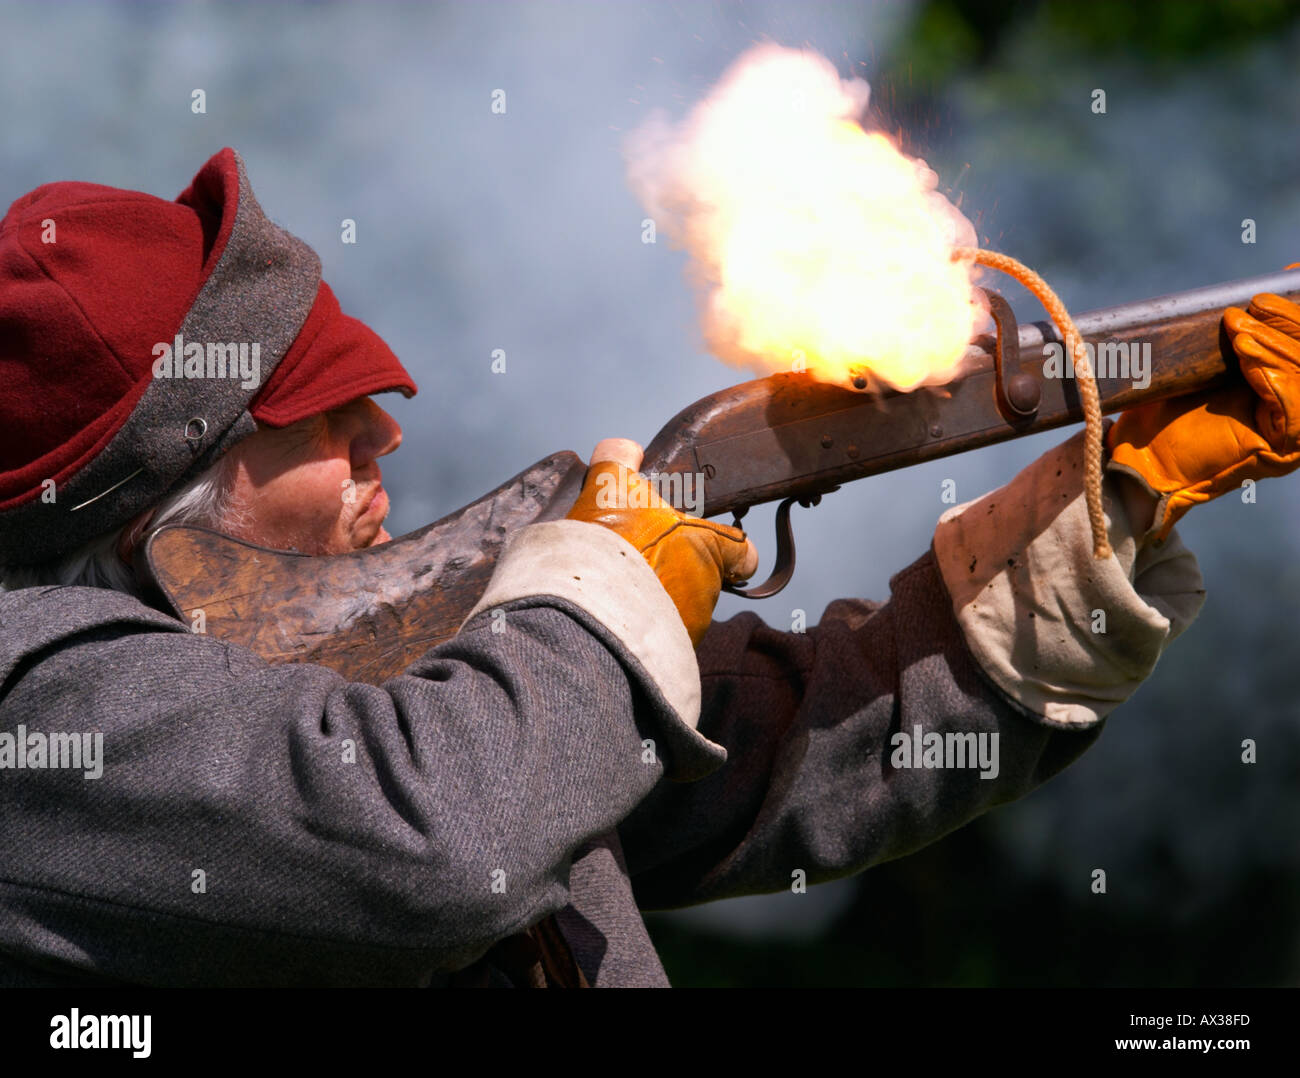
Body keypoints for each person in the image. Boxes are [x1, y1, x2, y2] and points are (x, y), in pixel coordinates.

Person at [0, 148, 1296, 987]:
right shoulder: (38, 710)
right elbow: (442, 841)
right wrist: (607, 577)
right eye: (315, 421)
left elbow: (786, 758)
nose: (380, 428)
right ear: (157, 510)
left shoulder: (414, 705)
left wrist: (1108, 504)